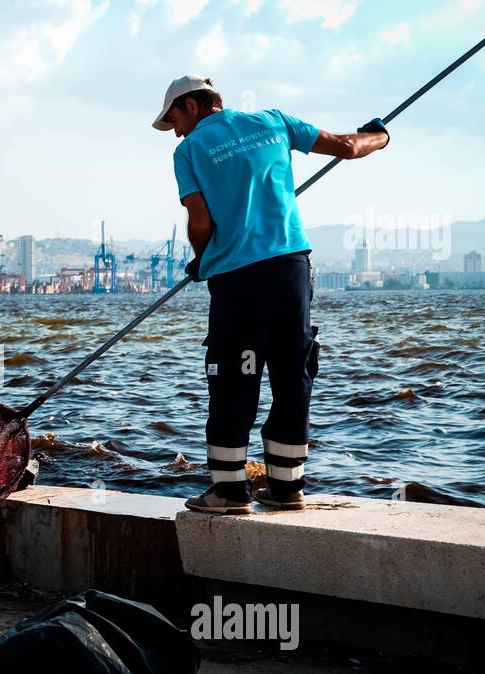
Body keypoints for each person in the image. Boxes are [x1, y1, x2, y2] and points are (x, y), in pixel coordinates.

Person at [153, 75, 389, 514]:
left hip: (238, 278)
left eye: (174, 119)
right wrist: (380, 135)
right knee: (292, 372)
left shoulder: (187, 151)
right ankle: (286, 489)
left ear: (190, 105)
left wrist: (203, 258)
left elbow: (200, 219)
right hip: (291, 270)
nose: (177, 130)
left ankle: (228, 493)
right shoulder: (275, 120)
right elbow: (348, 146)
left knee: (233, 377)